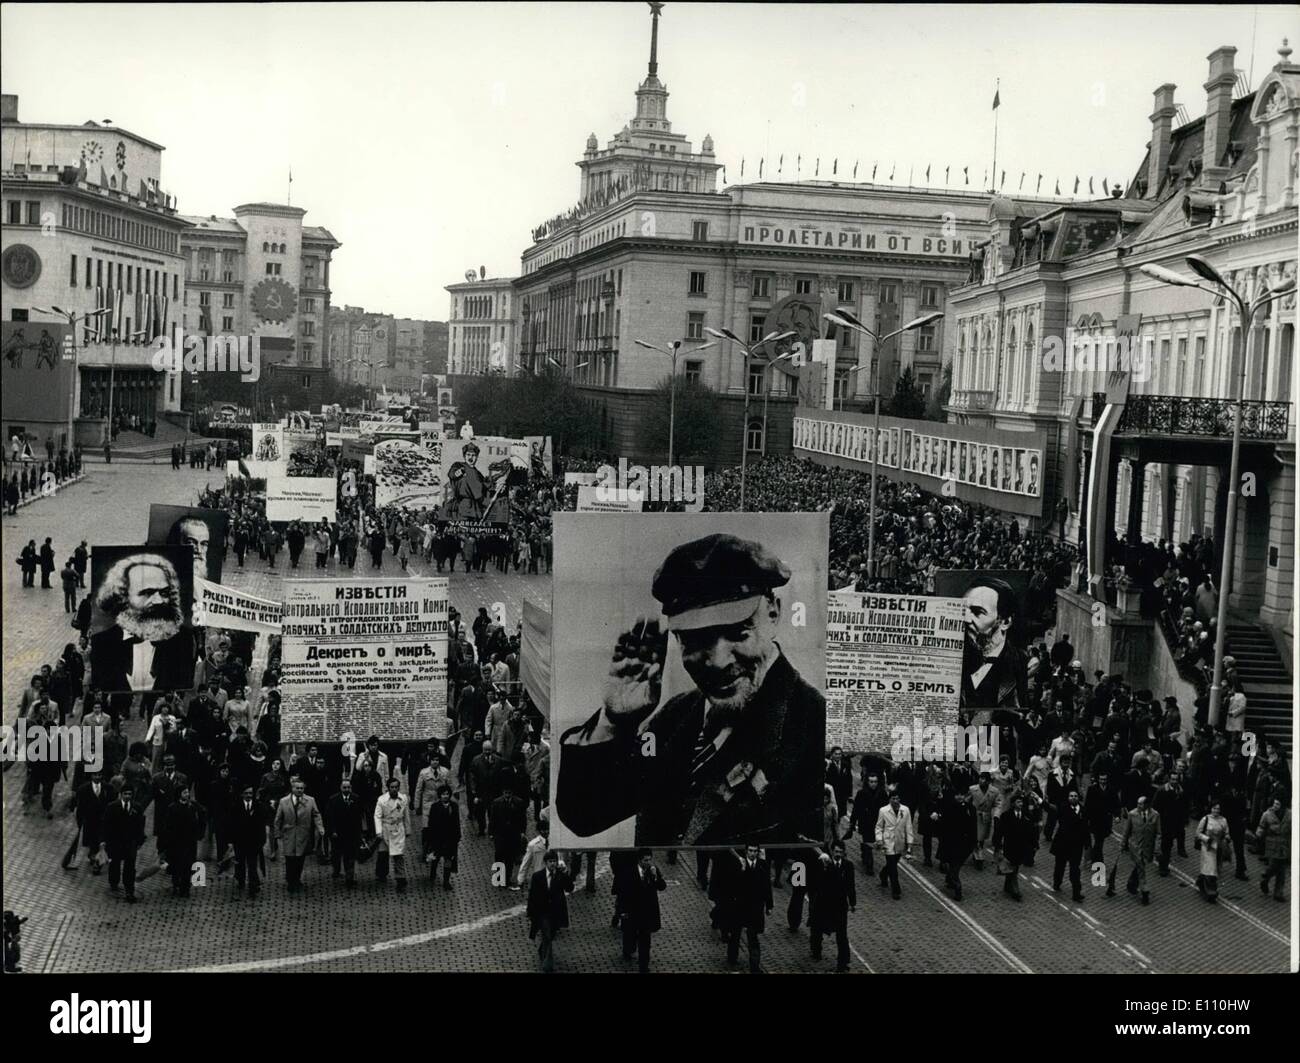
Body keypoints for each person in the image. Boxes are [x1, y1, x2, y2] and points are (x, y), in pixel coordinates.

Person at [556, 534, 825, 847]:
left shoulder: (814, 727)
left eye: (738, 632)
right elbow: (585, 816)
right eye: (694, 641)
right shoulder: (675, 717)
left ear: (774, 613)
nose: (718, 661)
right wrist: (615, 722)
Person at [89, 553, 194, 693]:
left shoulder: (183, 640)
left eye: (164, 593)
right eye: (147, 593)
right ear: (123, 598)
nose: (158, 601)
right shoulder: (101, 643)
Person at [724, 844, 772, 973]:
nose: (753, 853)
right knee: (735, 933)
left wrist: (769, 905)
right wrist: (742, 870)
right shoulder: (738, 864)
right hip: (739, 905)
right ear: (746, 851)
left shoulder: (763, 865)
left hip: (755, 907)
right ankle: (732, 957)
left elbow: (767, 886)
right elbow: (732, 884)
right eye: (750, 851)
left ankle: (755, 966)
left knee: (753, 937)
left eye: (755, 851)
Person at [619, 848, 667, 973]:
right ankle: (628, 949)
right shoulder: (629, 872)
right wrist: (623, 911)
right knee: (630, 935)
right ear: (639, 860)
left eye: (650, 859)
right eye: (646, 860)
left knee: (645, 940)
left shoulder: (653, 870)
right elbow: (623, 893)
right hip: (633, 910)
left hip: (647, 912)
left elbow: (662, 887)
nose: (649, 862)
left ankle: (643, 965)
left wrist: (656, 877)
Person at [810, 841, 856, 971]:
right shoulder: (824, 864)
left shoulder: (848, 866)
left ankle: (843, 962)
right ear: (832, 851)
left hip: (840, 906)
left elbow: (850, 886)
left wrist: (852, 903)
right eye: (836, 852)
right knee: (817, 928)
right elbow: (817, 881)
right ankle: (816, 950)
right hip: (824, 903)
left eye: (840, 852)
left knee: (841, 935)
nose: (838, 855)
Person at [273, 777, 324, 893]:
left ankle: (297, 878)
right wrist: (277, 833)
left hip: (303, 835)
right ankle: (291, 881)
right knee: (290, 858)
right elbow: (278, 819)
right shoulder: (283, 801)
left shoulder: (310, 800)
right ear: (292, 789)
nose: (300, 790)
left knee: (300, 859)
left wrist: (320, 828)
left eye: (302, 788)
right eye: (297, 788)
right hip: (288, 834)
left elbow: (316, 815)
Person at [526, 849, 571, 973]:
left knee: (550, 935)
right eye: (550, 861)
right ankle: (548, 963)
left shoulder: (560, 875)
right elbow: (532, 896)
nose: (553, 864)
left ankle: (542, 950)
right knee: (546, 934)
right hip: (542, 911)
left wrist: (566, 873)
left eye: (554, 861)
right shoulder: (537, 876)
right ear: (546, 863)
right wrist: (530, 912)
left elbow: (569, 888)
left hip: (556, 911)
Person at [1110, 794, 1158, 905]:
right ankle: (1144, 891)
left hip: (1148, 847)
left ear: (1147, 805)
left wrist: (1157, 848)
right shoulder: (1132, 814)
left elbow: (1159, 833)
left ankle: (1132, 883)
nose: (1138, 805)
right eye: (1138, 803)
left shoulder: (1155, 815)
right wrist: (1122, 844)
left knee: (1140, 865)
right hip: (1135, 847)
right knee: (1141, 869)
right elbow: (1126, 832)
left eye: (1141, 804)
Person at [102, 782, 146, 902]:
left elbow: (140, 825)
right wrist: (105, 841)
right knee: (114, 865)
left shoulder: (137, 807)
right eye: (125, 794)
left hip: (130, 843)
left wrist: (139, 841)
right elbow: (106, 825)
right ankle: (114, 883)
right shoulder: (112, 807)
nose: (128, 796)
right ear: (121, 794)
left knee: (130, 868)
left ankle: (129, 890)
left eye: (130, 794)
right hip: (115, 843)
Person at [164, 784, 206, 898]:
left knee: (188, 864)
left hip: (190, 841)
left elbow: (203, 813)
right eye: (184, 793)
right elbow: (168, 826)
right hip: (176, 841)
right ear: (179, 795)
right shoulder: (172, 807)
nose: (187, 795)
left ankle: (185, 888)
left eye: (188, 792)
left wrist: (199, 832)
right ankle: (176, 883)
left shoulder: (192, 806)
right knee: (177, 863)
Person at [326, 777, 367, 888]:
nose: (346, 789)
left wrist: (361, 832)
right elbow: (330, 817)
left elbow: (360, 816)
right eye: (344, 787)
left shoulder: (356, 798)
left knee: (350, 856)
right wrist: (332, 831)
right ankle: (336, 869)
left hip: (351, 833)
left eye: (348, 787)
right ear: (340, 788)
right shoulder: (333, 799)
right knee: (336, 854)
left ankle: (349, 878)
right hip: (338, 833)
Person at [874, 789, 914, 899]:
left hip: (899, 842)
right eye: (893, 798)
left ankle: (883, 874)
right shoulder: (883, 811)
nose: (895, 801)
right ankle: (896, 890)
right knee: (893, 867)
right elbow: (879, 826)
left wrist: (909, 845)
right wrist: (879, 840)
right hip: (888, 842)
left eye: (897, 798)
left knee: (893, 863)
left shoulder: (905, 810)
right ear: (889, 799)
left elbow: (909, 827)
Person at [73, 771, 114, 873]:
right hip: (90, 820)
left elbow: (112, 803)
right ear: (91, 776)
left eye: (99, 775)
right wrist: (79, 821)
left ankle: (97, 861)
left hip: (103, 820)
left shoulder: (108, 788)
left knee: (101, 840)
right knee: (92, 839)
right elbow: (80, 807)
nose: (97, 777)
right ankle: (94, 856)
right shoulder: (83, 789)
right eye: (95, 775)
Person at [374, 776, 410, 891]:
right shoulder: (382, 800)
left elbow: (406, 814)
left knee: (398, 855)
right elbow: (377, 816)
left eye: (396, 787)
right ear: (388, 788)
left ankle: (400, 879)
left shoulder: (403, 799)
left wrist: (408, 829)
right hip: (385, 829)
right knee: (383, 854)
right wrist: (378, 831)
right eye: (392, 787)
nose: (394, 789)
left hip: (398, 829)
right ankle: (381, 874)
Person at [1050, 790, 1088, 902]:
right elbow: (1051, 810)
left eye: (1075, 796)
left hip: (1076, 846)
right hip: (1063, 844)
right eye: (1071, 796)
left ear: (1078, 798)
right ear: (1068, 798)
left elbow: (1086, 828)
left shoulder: (1083, 810)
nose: (1073, 798)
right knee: (1059, 866)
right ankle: (1057, 883)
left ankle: (1076, 893)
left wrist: (1087, 844)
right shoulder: (1063, 808)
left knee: (1075, 870)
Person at [1000, 792, 1035, 901]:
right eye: (1018, 802)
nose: (1021, 804)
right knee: (1013, 865)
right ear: (1013, 804)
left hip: (1021, 845)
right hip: (1010, 845)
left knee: (1016, 865)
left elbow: (1031, 831)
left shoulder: (1026, 815)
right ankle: (1015, 889)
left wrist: (1033, 844)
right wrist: (998, 844)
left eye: (1021, 802)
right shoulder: (1006, 816)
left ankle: (1007, 884)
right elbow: (1000, 831)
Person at [424, 784, 461, 888]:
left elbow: (457, 821)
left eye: (447, 794)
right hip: (438, 838)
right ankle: (433, 873)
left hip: (450, 838)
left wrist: (457, 836)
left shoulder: (454, 806)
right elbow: (431, 823)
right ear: (439, 795)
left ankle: (446, 880)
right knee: (436, 857)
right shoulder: (435, 807)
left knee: (448, 859)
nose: (445, 796)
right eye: (443, 794)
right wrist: (431, 838)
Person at [1194, 799, 1230, 903]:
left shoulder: (1223, 820)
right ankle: (1210, 889)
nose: (1216, 811)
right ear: (1211, 809)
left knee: (1215, 867)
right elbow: (1198, 833)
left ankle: (1201, 881)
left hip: (1218, 847)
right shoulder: (1205, 819)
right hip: (1207, 847)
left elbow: (1226, 832)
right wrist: (1206, 839)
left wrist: (1227, 838)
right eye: (1214, 808)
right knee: (1210, 868)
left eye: (1218, 809)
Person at [1257, 798, 1289, 902]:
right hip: (1272, 844)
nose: (1275, 806)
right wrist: (1258, 836)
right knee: (1274, 865)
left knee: (1282, 870)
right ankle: (1265, 878)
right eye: (1274, 803)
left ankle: (1278, 893)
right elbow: (1261, 826)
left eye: (1278, 804)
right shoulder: (1267, 814)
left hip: (1284, 844)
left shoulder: (1290, 815)